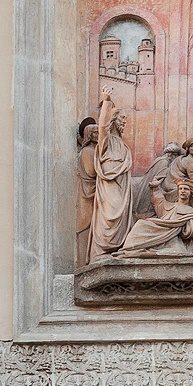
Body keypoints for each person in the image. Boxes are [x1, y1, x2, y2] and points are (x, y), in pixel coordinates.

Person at [89, 93, 134, 259]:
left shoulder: (123, 145)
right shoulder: (106, 141)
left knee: (121, 216)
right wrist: (107, 102)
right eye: (122, 118)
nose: (124, 121)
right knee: (110, 215)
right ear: (114, 119)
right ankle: (103, 250)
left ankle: (118, 249)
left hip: (122, 183)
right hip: (110, 183)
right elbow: (102, 127)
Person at [120, 180, 193, 254]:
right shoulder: (169, 205)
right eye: (180, 189)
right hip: (159, 228)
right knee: (140, 224)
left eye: (186, 189)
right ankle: (130, 248)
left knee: (175, 250)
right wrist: (156, 188)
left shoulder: (190, 211)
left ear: (190, 193)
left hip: (172, 235)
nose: (182, 191)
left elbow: (190, 227)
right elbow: (159, 201)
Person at [75, 116, 98, 268]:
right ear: (89, 135)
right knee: (86, 224)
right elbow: (91, 172)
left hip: (95, 192)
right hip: (88, 193)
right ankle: (84, 260)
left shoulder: (95, 150)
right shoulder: (87, 151)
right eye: (95, 132)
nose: (99, 134)